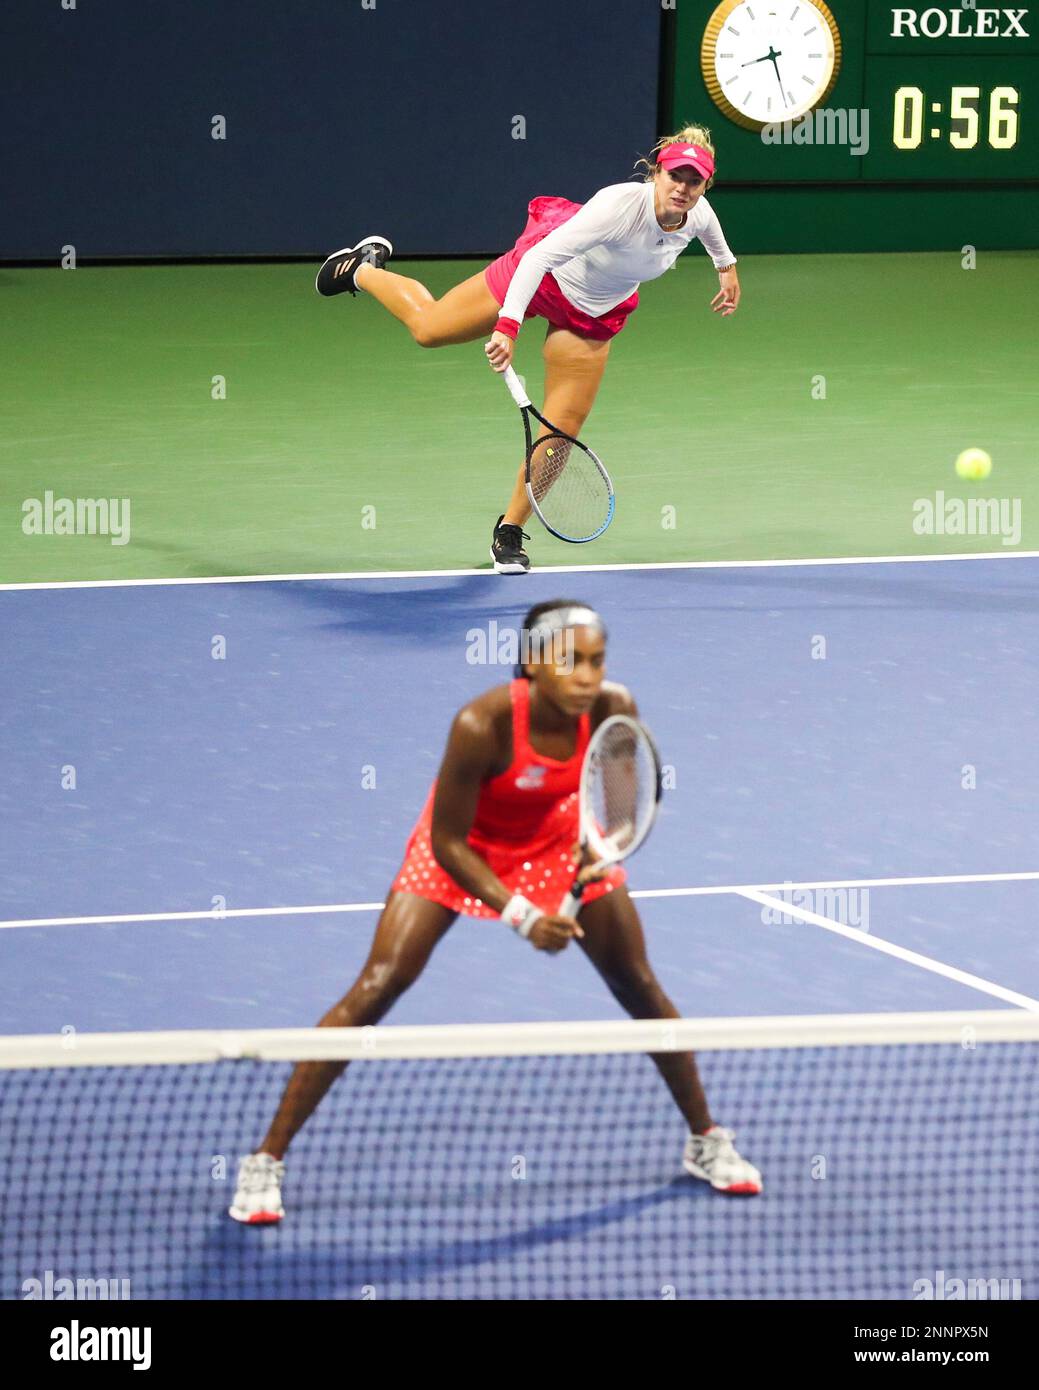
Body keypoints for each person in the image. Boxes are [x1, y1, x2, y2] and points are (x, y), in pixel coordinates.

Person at [230, 600, 761, 1223]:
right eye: (572, 662)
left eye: (596, 661)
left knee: (639, 984)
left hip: (559, 839)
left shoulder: (614, 709)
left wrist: (595, 856)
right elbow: (447, 842)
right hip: (467, 845)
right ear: (533, 665)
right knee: (380, 983)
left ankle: (705, 1138)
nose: (588, 677)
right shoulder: (480, 725)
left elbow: (614, 819)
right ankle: (266, 1159)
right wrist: (521, 916)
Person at [314, 124, 740, 574]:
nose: (683, 188)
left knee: (559, 435)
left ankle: (510, 529)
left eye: (695, 182)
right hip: (542, 277)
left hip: (594, 315)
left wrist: (727, 270)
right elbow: (539, 260)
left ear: (705, 186)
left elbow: (715, 240)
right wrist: (507, 326)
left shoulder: (698, 213)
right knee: (428, 329)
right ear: (657, 173)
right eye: (676, 176)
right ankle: (361, 269)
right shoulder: (617, 207)